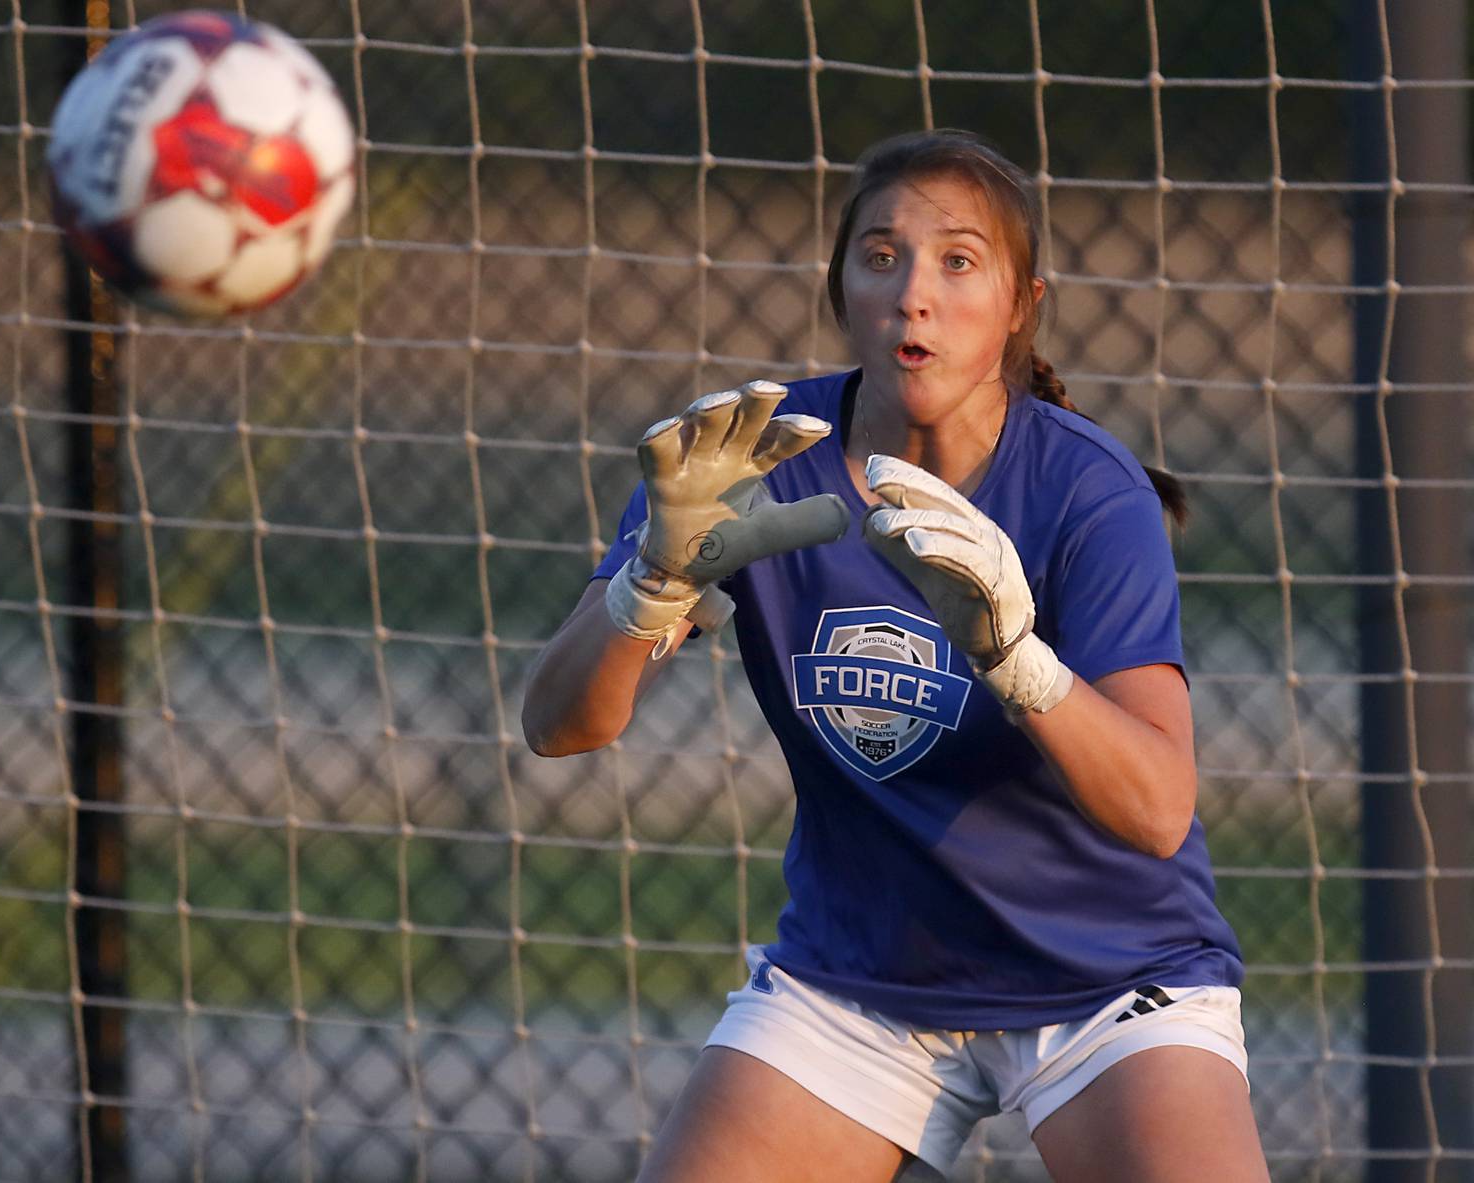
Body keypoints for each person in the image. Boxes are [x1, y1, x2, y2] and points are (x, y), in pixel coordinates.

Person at [522, 129, 1268, 1183]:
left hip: (1108, 978)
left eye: (958, 261)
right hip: (858, 978)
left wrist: (1017, 658)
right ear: (840, 287)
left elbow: (1155, 809)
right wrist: (653, 580)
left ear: (1021, 304)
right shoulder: (750, 459)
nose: (913, 290)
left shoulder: (1086, 491)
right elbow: (560, 726)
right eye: (880, 255)